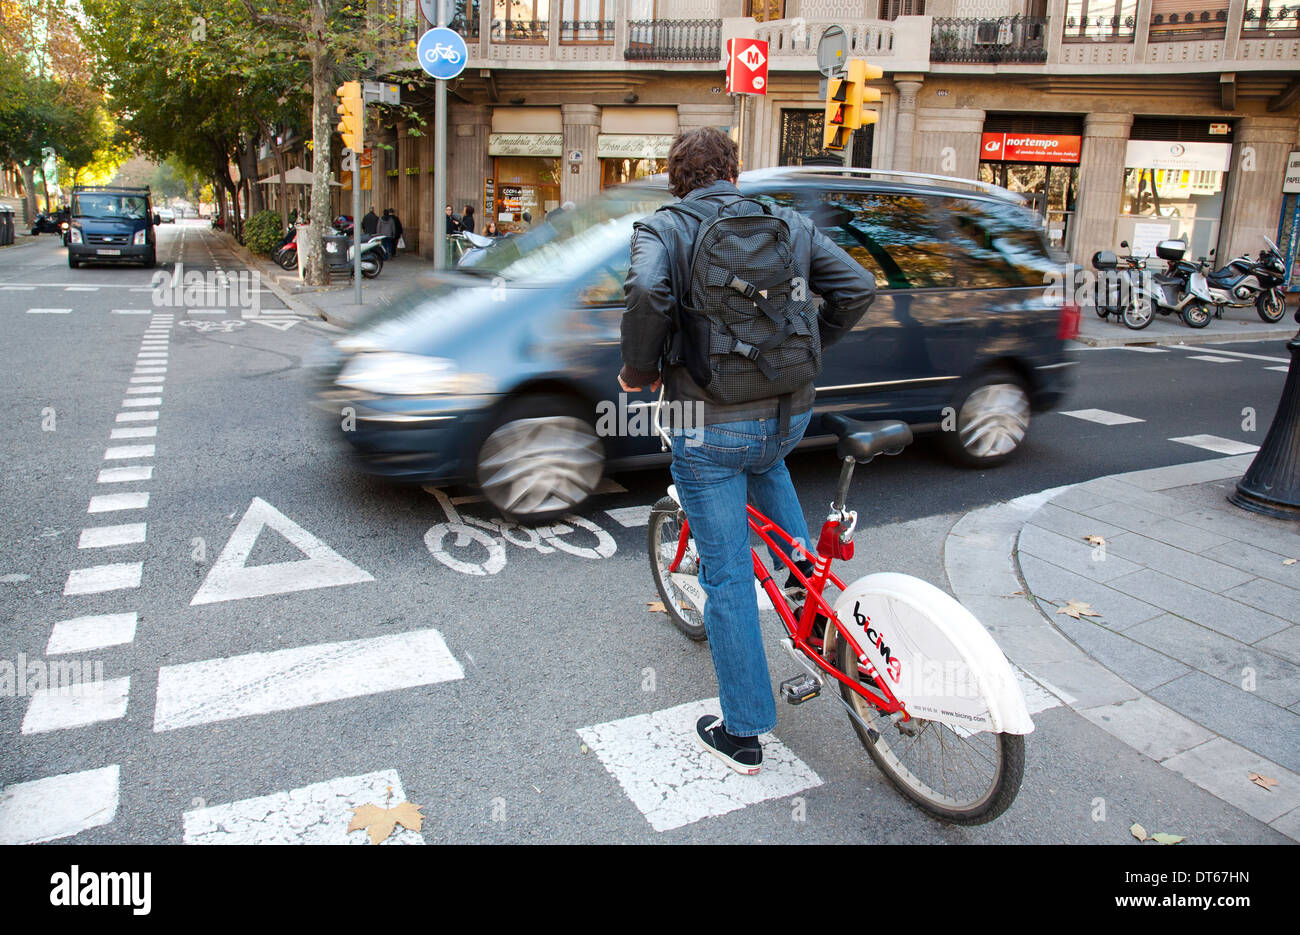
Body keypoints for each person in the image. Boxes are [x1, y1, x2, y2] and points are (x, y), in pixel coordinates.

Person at [620, 127, 875, 775]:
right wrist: (806, 347)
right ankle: (811, 609)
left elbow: (647, 293)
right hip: (788, 413)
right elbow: (858, 287)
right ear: (734, 171)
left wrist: (639, 370)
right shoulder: (789, 223)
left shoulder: (662, 229)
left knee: (728, 577)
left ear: (678, 179)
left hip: (707, 423)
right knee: (767, 460)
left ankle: (744, 731)